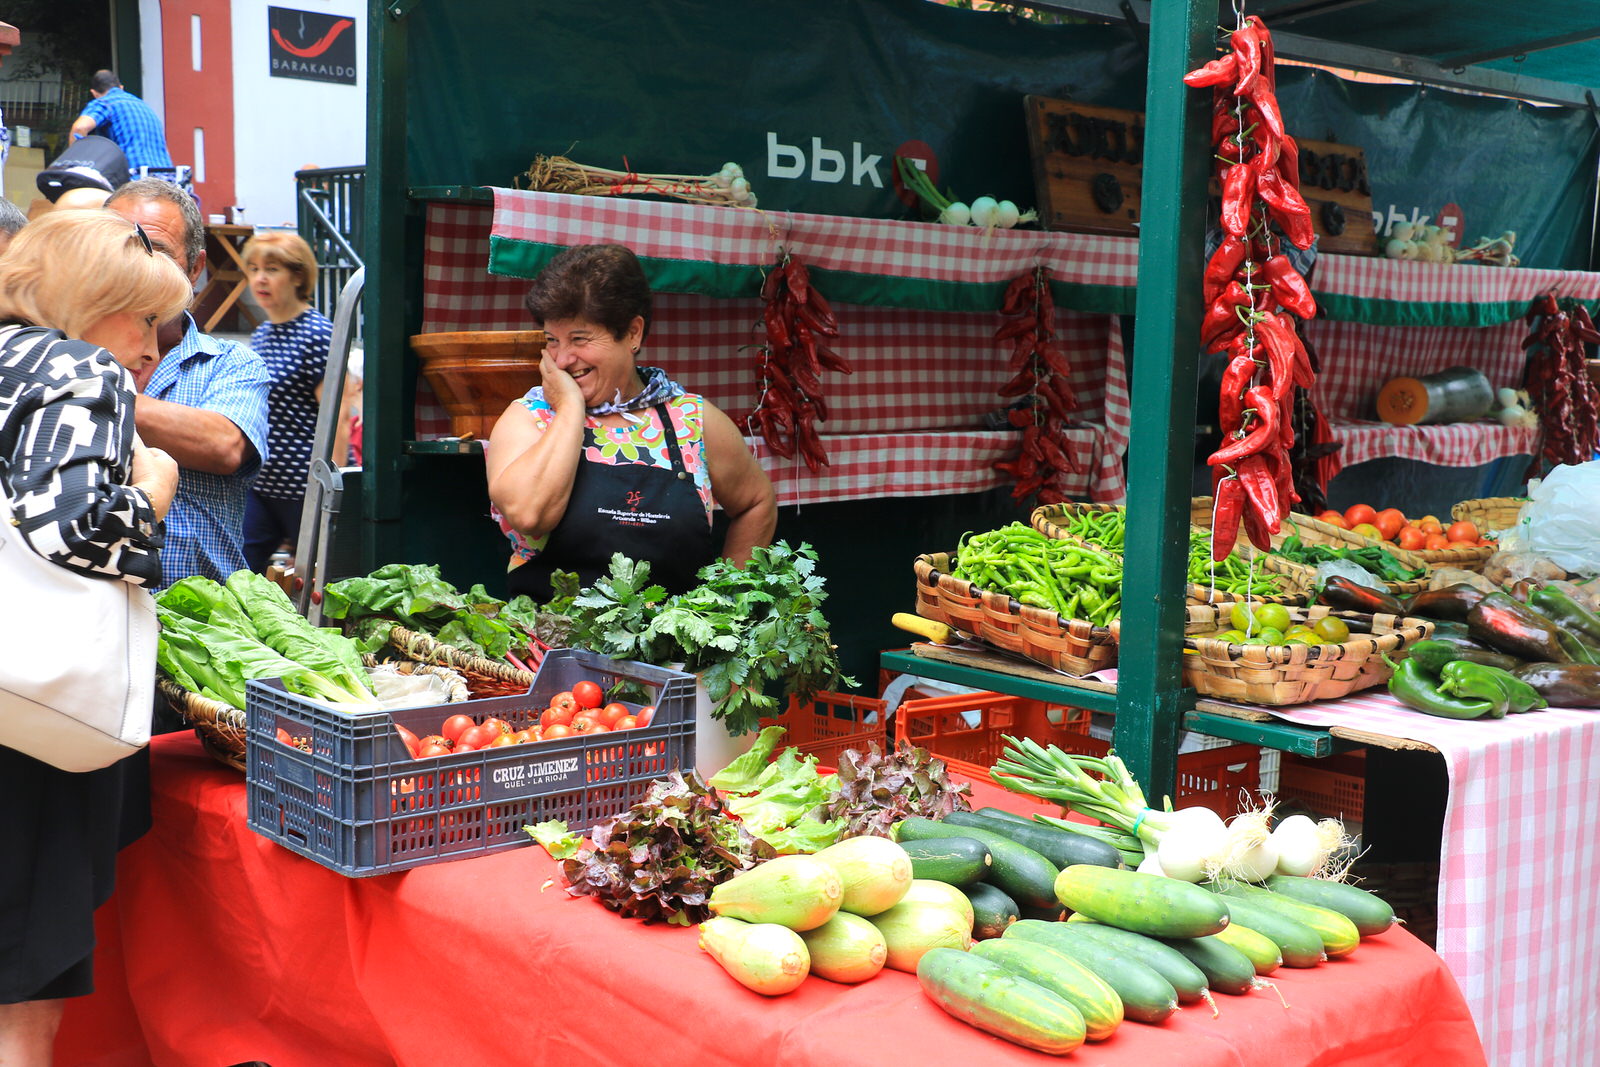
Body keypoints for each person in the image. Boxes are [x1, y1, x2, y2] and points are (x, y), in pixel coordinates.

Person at [0, 208, 190, 1065]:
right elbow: (73, 528)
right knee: (24, 984)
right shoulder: (78, 367)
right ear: (88, 300)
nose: (152, 344)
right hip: (30, 722)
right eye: (141, 316)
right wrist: (155, 486)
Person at [487, 243, 776, 600]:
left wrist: (726, 605)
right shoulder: (529, 418)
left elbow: (756, 501)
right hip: (551, 649)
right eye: (552, 341)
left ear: (633, 334)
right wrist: (572, 410)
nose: (562, 360)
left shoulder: (693, 421)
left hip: (670, 653)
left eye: (579, 339)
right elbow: (530, 515)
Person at [106, 179, 272, 588]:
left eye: (156, 251)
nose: (137, 265)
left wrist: (89, 390)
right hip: (94, 627)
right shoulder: (60, 353)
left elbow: (223, 445)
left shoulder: (231, 364)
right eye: (122, 247)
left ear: (195, 269)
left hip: (203, 630)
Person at [241, 230, 334, 571]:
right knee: (237, 572)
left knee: (316, 580)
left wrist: (330, 488)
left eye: (272, 269)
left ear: (297, 276)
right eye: (252, 269)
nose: (259, 279)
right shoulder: (262, 333)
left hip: (303, 489)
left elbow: (335, 416)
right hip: (262, 483)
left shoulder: (317, 333)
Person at [69, 70, 171, 175]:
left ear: (94, 93)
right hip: (166, 179)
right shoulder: (144, 106)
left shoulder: (105, 103)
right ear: (121, 87)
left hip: (136, 181)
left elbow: (79, 128)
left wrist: (78, 169)